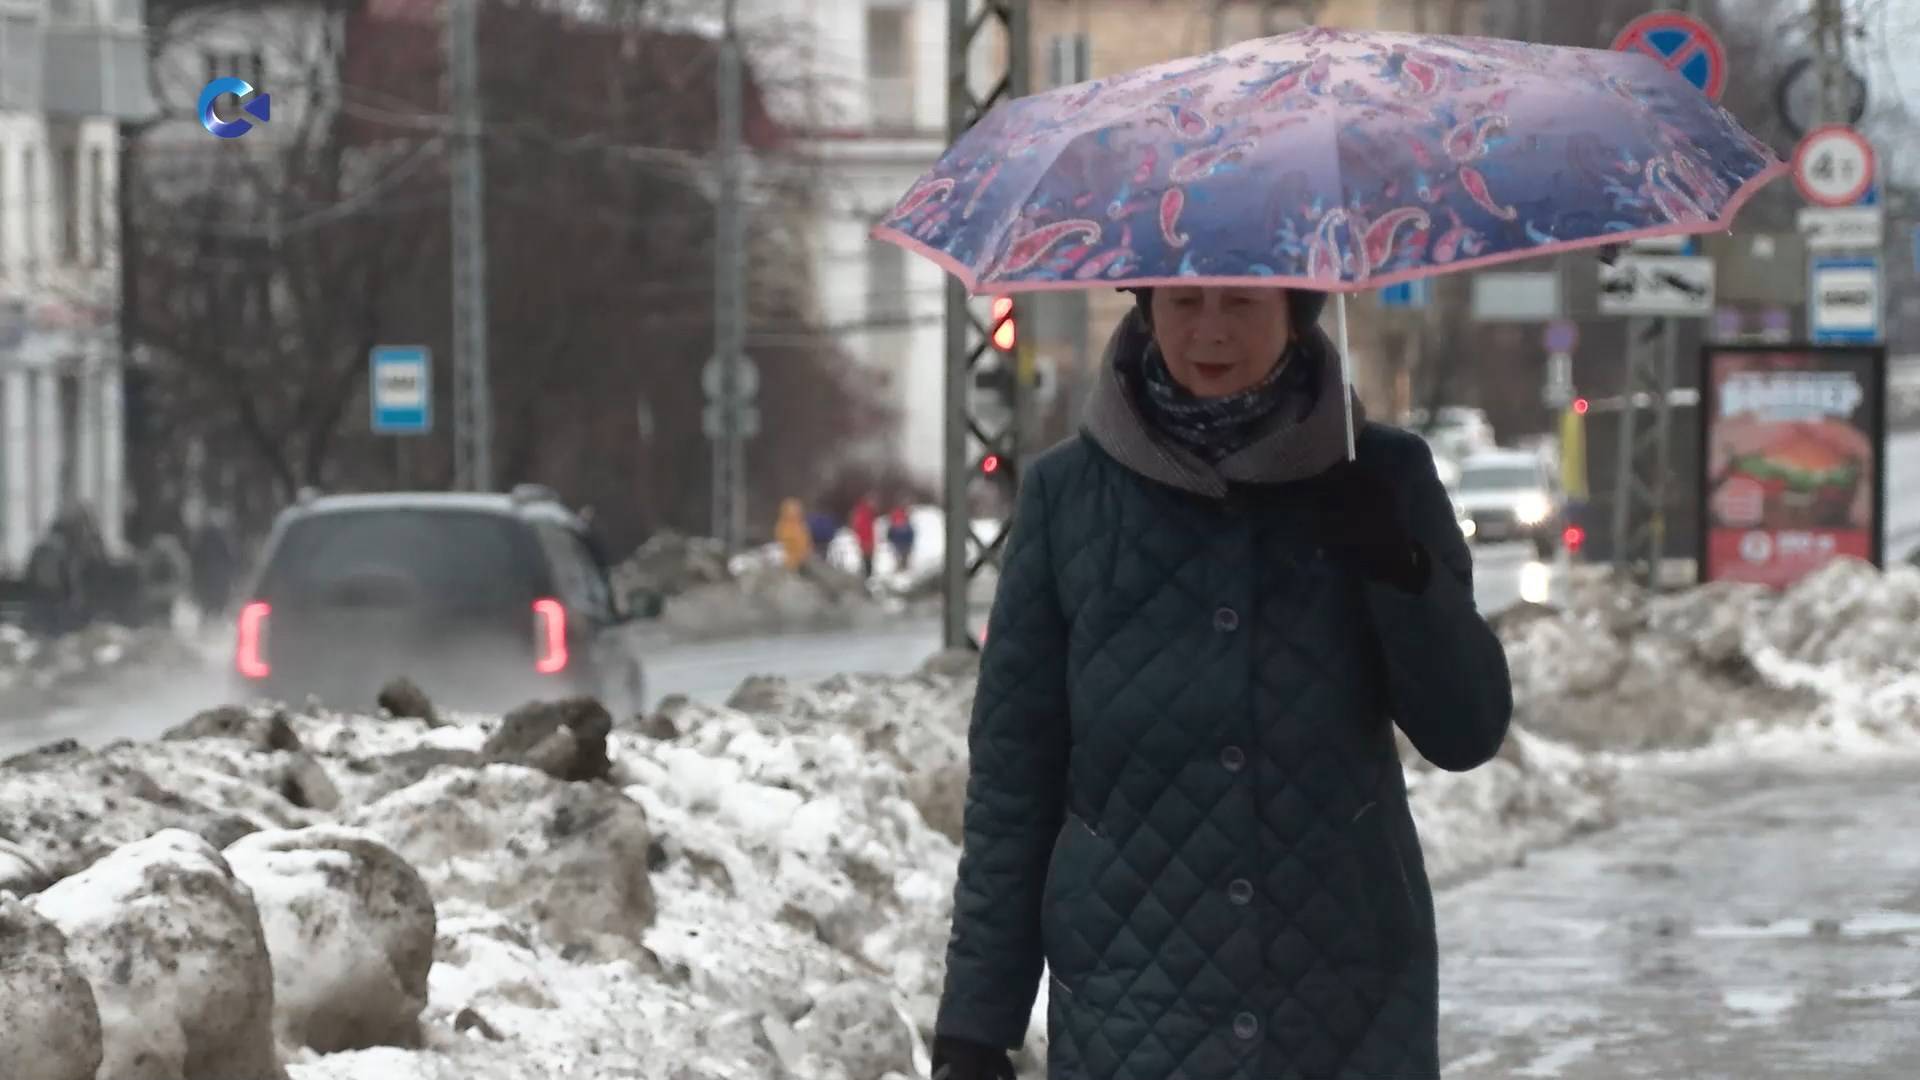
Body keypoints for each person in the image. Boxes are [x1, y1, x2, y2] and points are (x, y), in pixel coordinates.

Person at [930, 285, 1513, 1080]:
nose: (1209, 330)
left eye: (1239, 302)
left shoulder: (1381, 474)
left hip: (1347, 1003)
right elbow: (1013, 778)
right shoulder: (1069, 496)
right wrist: (976, 1019)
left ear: (1299, 309)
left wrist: (1402, 573)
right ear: (1143, 307)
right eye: (1184, 301)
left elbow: (1467, 730)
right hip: (1134, 1000)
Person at [774, 497, 813, 570]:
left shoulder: (801, 525)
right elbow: (784, 544)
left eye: (797, 509)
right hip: (790, 564)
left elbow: (807, 541)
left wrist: (807, 552)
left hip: (804, 561)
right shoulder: (783, 526)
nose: (796, 511)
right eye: (793, 510)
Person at [849, 494, 879, 579]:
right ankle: (867, 576)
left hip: (869, 540)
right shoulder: (862, 512)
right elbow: (858, 527)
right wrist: (862, 540)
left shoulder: (869, 512)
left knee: (868, 559)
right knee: (867, 559)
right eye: (872, 502)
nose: (874, 504)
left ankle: (868, 575)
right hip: (865, 541)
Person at [886, 506, 916, 572]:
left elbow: (890, 533)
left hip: (898, 543)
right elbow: (911, 533)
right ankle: (904, 569)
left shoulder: (894, 522)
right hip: (905, 543)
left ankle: (900, 568)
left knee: (899, 557)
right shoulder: (905, 522)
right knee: (904, 557)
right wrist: (911, 542)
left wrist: (890, 541)